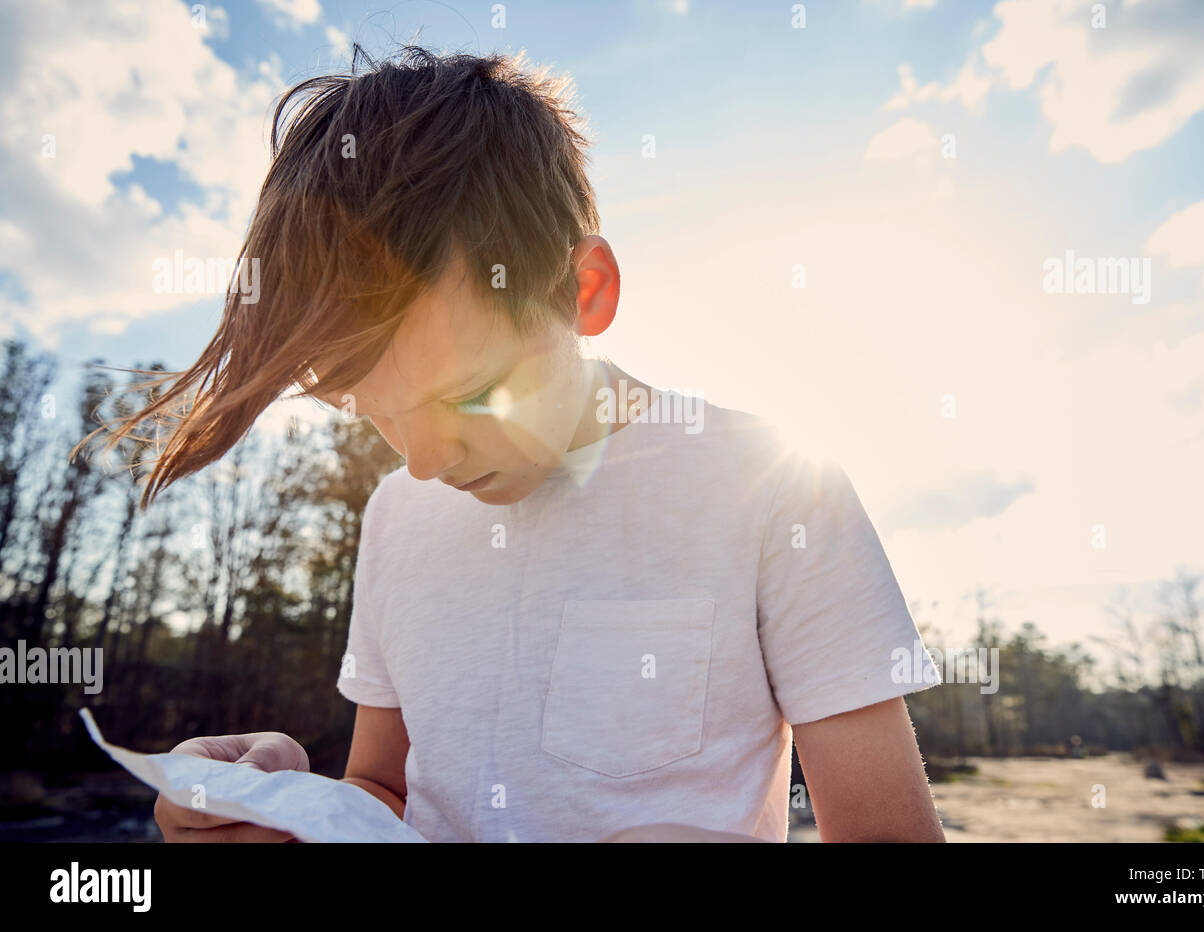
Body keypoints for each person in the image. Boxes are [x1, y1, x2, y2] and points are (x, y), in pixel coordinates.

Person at [87, 46, 945, 842]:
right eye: (376, 412)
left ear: (586, 290)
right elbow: (389, 791)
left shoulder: (776, 489)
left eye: (468, 395)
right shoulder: (396, 515)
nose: (425, 463)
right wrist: (279, 808)